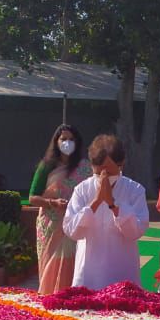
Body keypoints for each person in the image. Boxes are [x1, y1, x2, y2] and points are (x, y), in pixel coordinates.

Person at [63, 134, 149, 290]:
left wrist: (113, 204)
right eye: (99, 173)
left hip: (122, 270)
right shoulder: (82, 189)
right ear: (92, 166)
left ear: (121, 164)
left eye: (108, 173)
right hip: (88, 272)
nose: (103, 177)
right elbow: (71, 230)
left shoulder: (134, 190)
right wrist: (95, 202)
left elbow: (136, 231)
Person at [29, 125, 93, 293]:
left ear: (77, 143)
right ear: (56, 142)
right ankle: (50, 295)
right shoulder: (46, 166)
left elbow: (92, 193)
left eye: (71, 139)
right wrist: (53, 203)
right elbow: (32, 198)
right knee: (51, 260)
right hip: (51, 223)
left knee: (74, 260)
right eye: (63, 139)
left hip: (76, 222)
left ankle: (72, 295)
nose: (67, 143)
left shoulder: (85, 167)